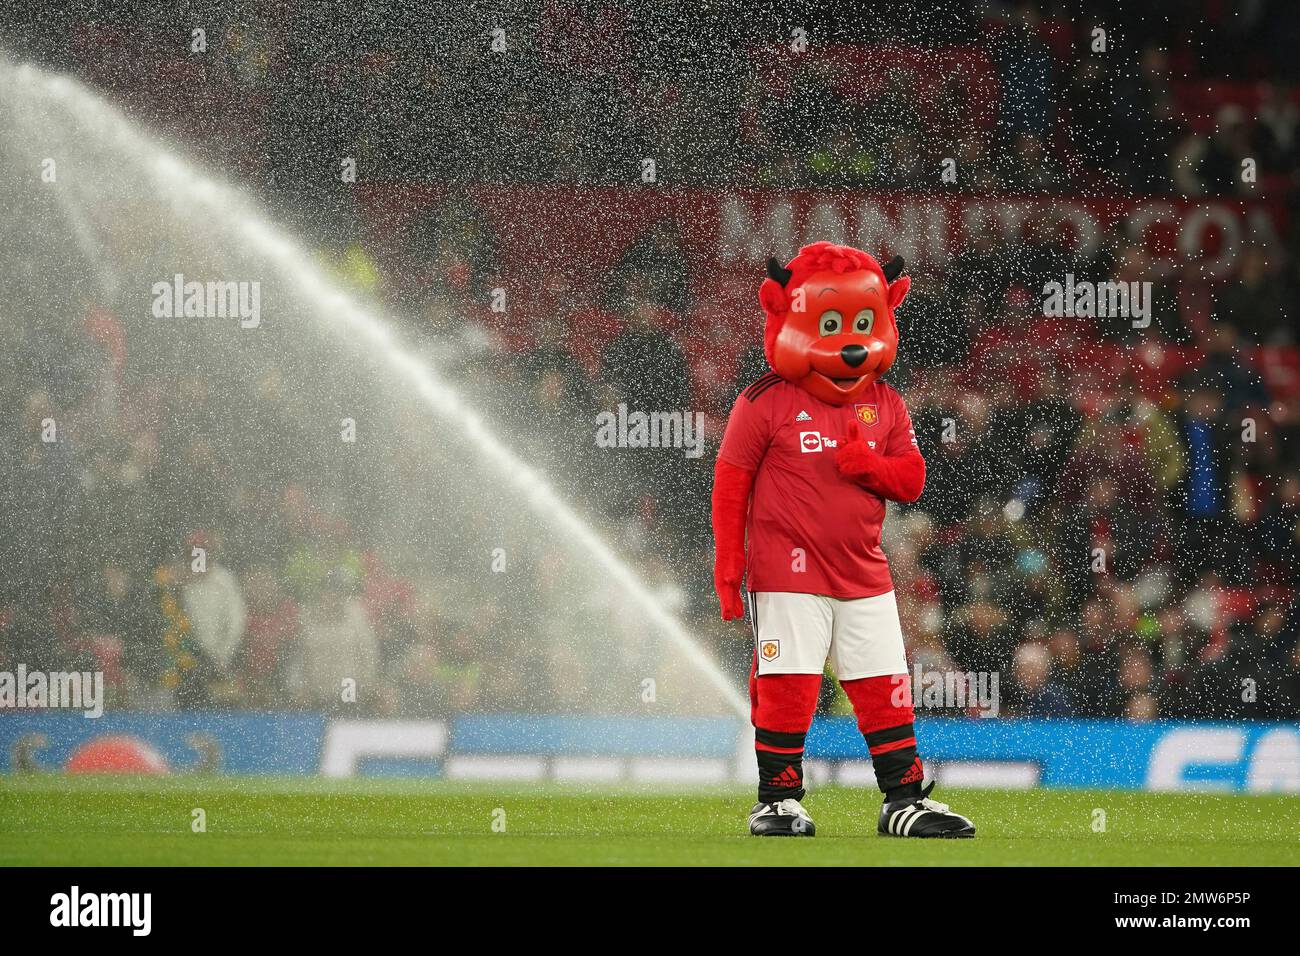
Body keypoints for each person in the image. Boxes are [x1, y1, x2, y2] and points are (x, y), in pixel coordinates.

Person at [712, 242, 975, 838]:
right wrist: (730, 568)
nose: (851, 342)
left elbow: (912, 480)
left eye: (861, 323)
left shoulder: (886, 402)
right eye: (831, 326)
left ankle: (903, 800)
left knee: (885, 686)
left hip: (864, 571)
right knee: (789, 685)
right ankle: (777, 800)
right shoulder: (763, 402)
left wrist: (867, 467)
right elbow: (729, 484)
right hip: (787, 572)